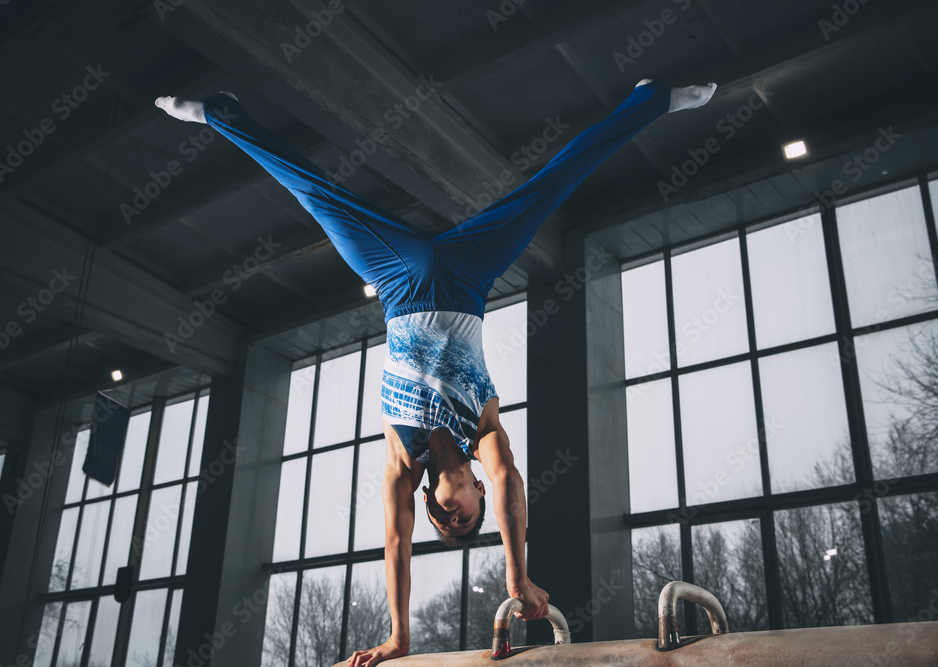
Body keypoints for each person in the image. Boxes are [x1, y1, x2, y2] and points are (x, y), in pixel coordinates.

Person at [156, 78, 716, 666]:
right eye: (465, 517)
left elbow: (396, 545)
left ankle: (221, 113)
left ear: (428, 504)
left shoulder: (403, 463)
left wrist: (399, 638)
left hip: (398, 280)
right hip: (471, 276)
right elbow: (512, 482)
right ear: (477, 489)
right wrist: (517, 575)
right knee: (549, 187)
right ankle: (652, 99)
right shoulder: (485, 436)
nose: (451, 516)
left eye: (443, 522)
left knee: (315, 194)